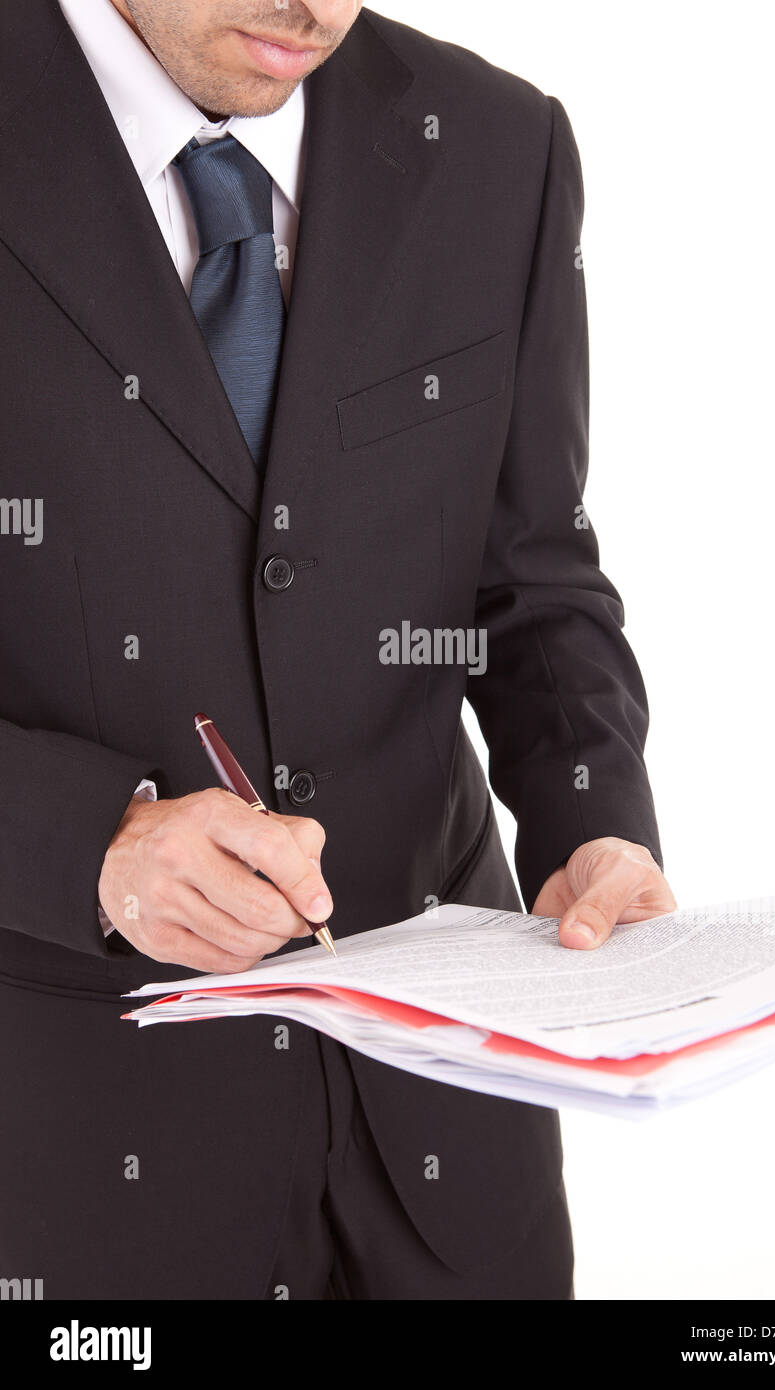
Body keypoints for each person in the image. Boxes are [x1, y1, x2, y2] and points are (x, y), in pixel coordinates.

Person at [0, 0, 675, 1299]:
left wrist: (593, 822)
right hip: (81, 1165)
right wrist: (90, 847)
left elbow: (532, 572)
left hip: (453, 1138)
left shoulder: (495, 144)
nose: (311, 10)